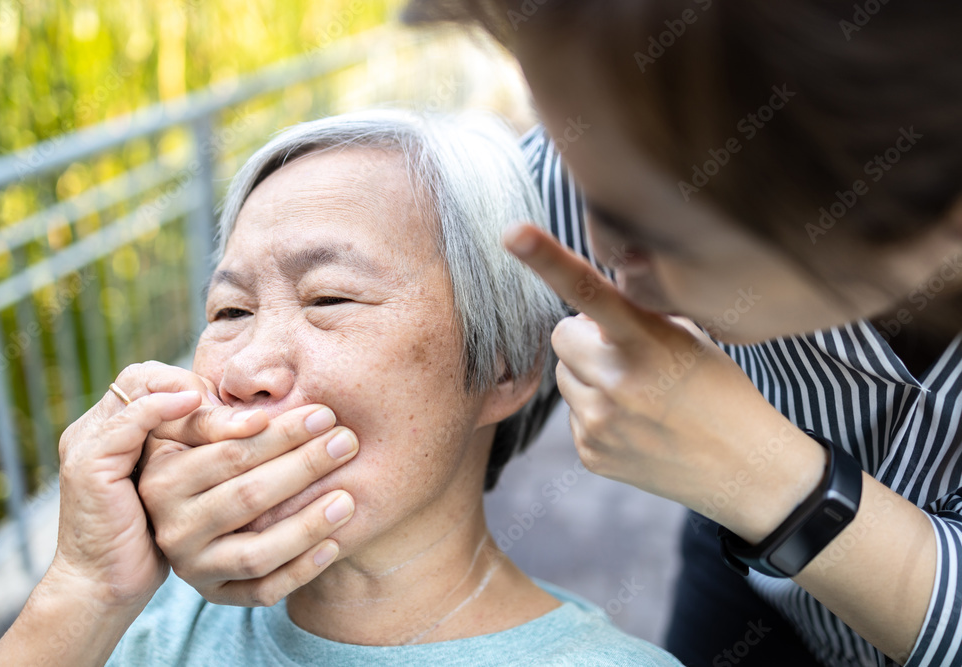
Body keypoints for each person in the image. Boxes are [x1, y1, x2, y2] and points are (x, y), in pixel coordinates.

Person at [0, 109, 681, 666]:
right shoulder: (128, 626)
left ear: (503, 365)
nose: (244, 369)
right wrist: (86, 585)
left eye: (329, 298)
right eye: (230, 311)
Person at [403, 2, 962, 666]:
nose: (598, 248)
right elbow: (445, 264)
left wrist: (758, 473)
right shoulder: (645, 122)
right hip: (752, 577)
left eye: (648, 234)